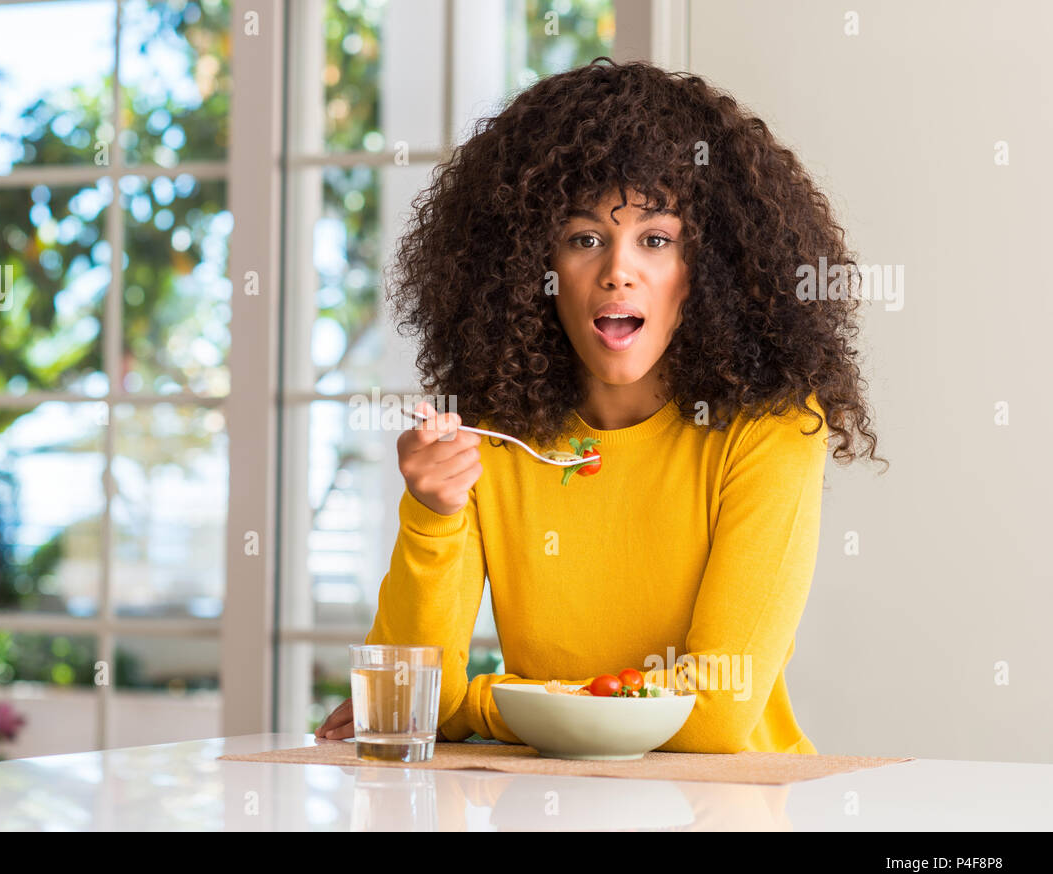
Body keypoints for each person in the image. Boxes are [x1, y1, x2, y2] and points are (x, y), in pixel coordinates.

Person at [316, 58, 886, 753]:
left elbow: (713, 716)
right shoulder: (492, 435)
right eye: (585, 239)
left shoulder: (770, 429)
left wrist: (477, 704)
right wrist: (432, 516)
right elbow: (406, 708)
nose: (618, 269)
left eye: (656, 240)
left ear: (706, 270)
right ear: (535, 267)